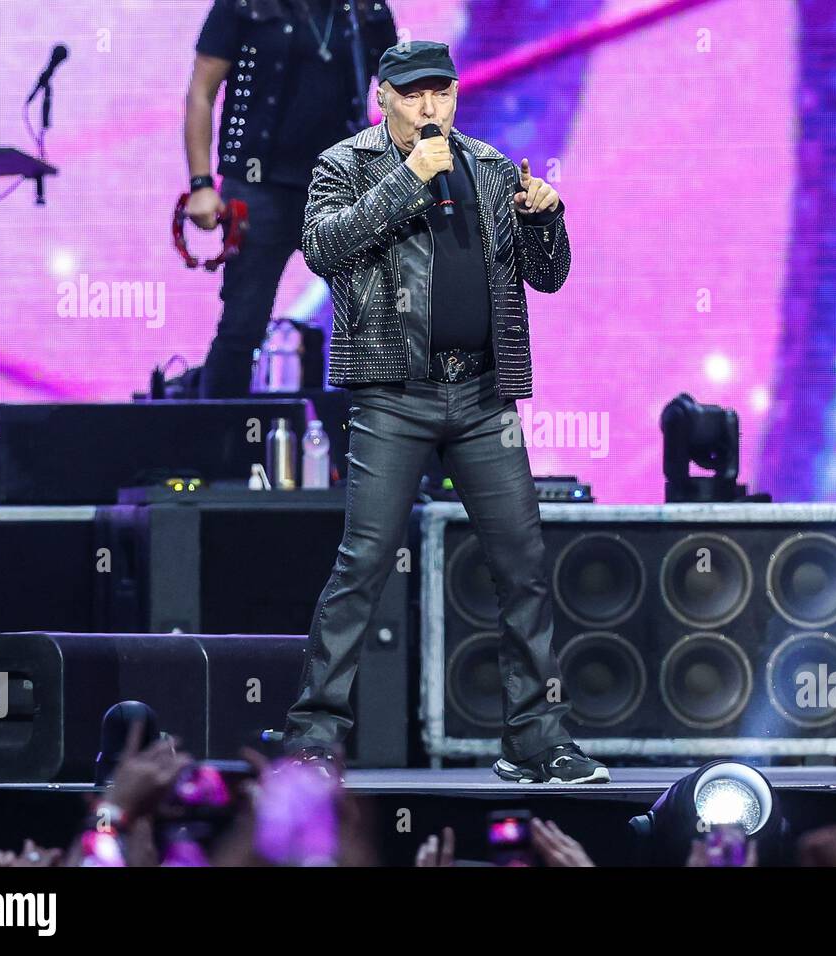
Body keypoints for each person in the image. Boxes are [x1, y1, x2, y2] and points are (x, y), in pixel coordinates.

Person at [282, 41, 609, 784]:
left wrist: (547, 218)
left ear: (457, 95)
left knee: (522, 564)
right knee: (363, 563)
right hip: (394, 394)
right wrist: (407, 180)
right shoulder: (348, 163)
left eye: (442, 94)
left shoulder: (491, 167)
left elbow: (548, 279)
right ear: (382, 97)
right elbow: (323, 249)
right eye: (413, 95)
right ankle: (314, 740)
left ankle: (533, 740)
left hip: (483, 394)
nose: (430, 109)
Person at [184, 0, 397, 398]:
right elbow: (201, 92)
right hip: (258, 186)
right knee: (242, 326)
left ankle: (360, 452)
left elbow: (398, 96)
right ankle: (215, 449)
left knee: (369, 330)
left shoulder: (365, 9)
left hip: (341, 191)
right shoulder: (245, 6)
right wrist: (201, 184)